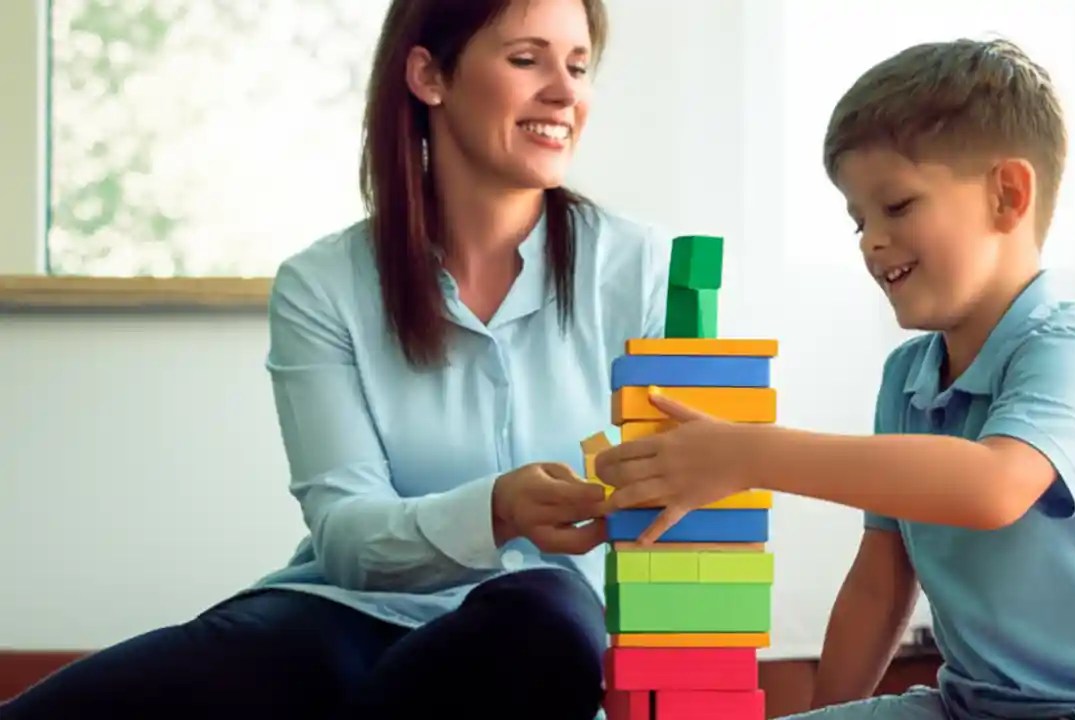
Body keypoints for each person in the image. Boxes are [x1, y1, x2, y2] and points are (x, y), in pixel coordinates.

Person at [2, 0, 668, 718]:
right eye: (526, 58)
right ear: (428, 74)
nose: (566, 92)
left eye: (577, 65)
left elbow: (690, 505)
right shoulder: (322, 285)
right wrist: (496, 509)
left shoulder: (641, 270)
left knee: (543, 610)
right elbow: (347, 533)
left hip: (541, 631)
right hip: (343, 616)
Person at [594, 38, 1075, 720]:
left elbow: (992, 485)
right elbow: (880, 583)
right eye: (857, 218)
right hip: (975, 708)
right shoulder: (907, 377)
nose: (869, 239)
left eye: (896, 207)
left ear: (1008, 195)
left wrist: (751, 452)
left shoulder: (1072, 353)